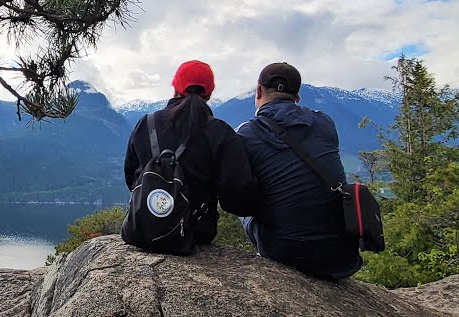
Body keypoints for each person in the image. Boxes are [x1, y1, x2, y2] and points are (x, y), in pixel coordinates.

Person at [236, 62, 362, 279]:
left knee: (242, 203)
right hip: (342, 254)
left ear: (258, 91)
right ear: (298, 96)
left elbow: (236, 195)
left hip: (285, 253)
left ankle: (264, 256)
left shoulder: (246, 134)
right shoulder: (324, 123)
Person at [123, 60, 257, 247]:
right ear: (209, 94)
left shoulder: (146, 123)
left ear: (175, 88)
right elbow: (237, 195)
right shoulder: (220, 132)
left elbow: (131, 177)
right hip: (196, 234)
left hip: (141, 228)